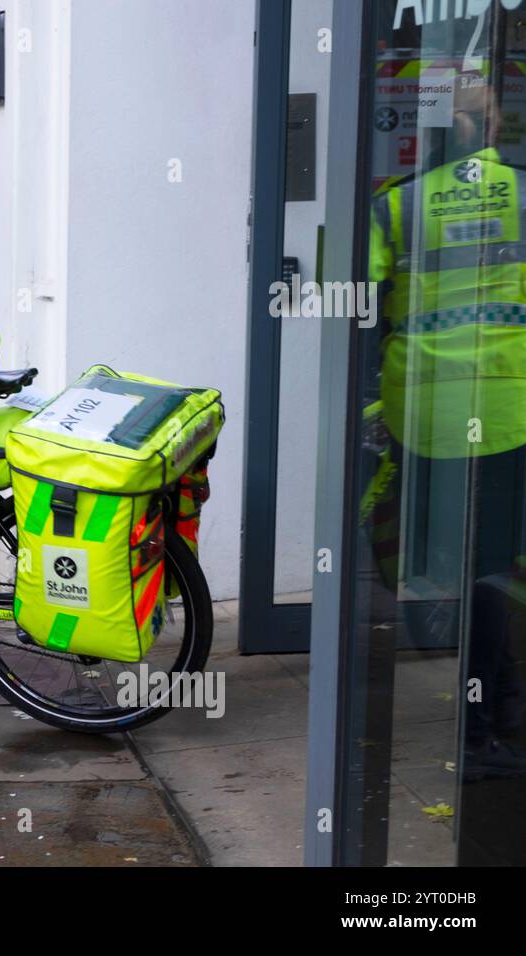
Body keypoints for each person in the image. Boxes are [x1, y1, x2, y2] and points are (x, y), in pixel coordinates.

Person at [367, 68, 526, 841]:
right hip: (506, 408)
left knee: (450, 566)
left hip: (423, 411)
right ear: (488, 127)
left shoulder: (397, 206)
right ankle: (483, 726)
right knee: (493, 566)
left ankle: (490, 711)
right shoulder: (523, 195)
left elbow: (359, 308)